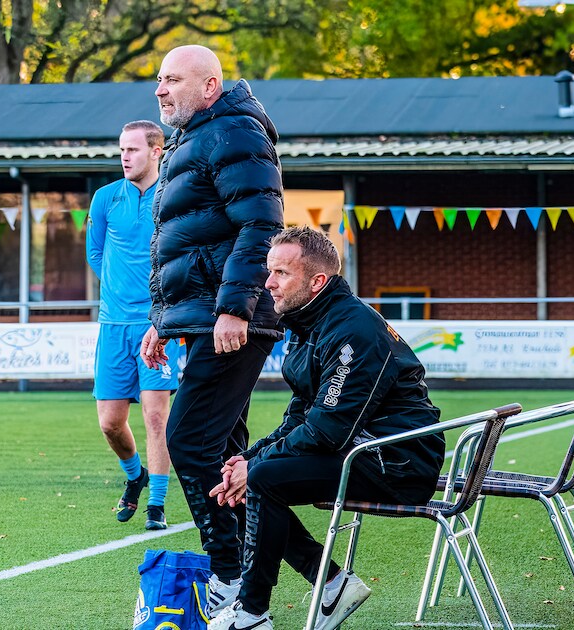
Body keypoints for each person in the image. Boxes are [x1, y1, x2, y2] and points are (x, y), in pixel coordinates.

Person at [206, 227, 444, 630]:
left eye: (281, 273)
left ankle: (250, 613)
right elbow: (300, 415)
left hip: (398, 463)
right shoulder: (306, 323)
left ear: (317, 281)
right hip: (362, 451)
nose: (268, 283)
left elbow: (327, 430)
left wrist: (256, 465)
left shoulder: (352, 329)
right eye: (270, 271)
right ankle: (331, 584)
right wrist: (248, 457)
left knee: (263, 479)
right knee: (253, 476)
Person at [138, 44, 285, 614]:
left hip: (233, 321)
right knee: (226, 459)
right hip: (206, 318)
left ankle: (229, 573)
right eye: (158, 79)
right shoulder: (194, 138)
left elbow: (260, 225)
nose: (160, 88)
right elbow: (186, 243)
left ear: (210, 86)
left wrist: (235, 308)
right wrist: (163, 321)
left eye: (172, 79)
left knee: (188, 442)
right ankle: (317, 580)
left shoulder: (234, 132)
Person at [87, 120, 181, 531]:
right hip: (112, 327)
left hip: (157, 326)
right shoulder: (105, 198)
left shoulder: (176, 197)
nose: (125, 156)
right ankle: (135, 476)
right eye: (122, 149)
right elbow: (95, 255)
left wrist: (161, 310)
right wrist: (117, 293)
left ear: (156, 151)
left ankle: (156, 507)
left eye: (133, 150)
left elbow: (183, 259)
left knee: (156, 416)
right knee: (109, 422)